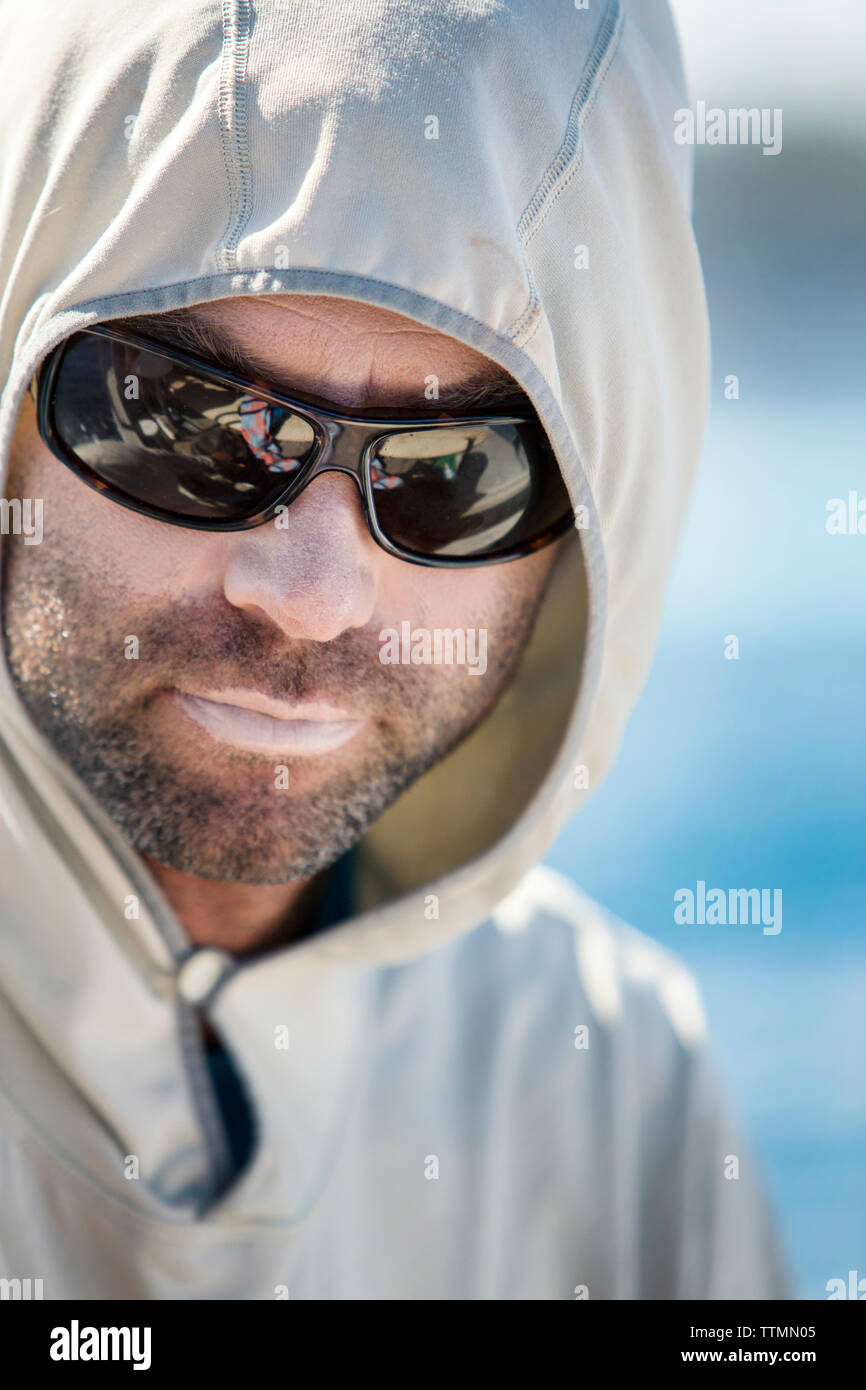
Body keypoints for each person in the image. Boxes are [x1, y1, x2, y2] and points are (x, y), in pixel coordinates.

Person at [0, 0, 789, 1298]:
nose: (307, 595)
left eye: (455, 474)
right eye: (184, 419)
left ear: (585, 528)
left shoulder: (613, 1081)